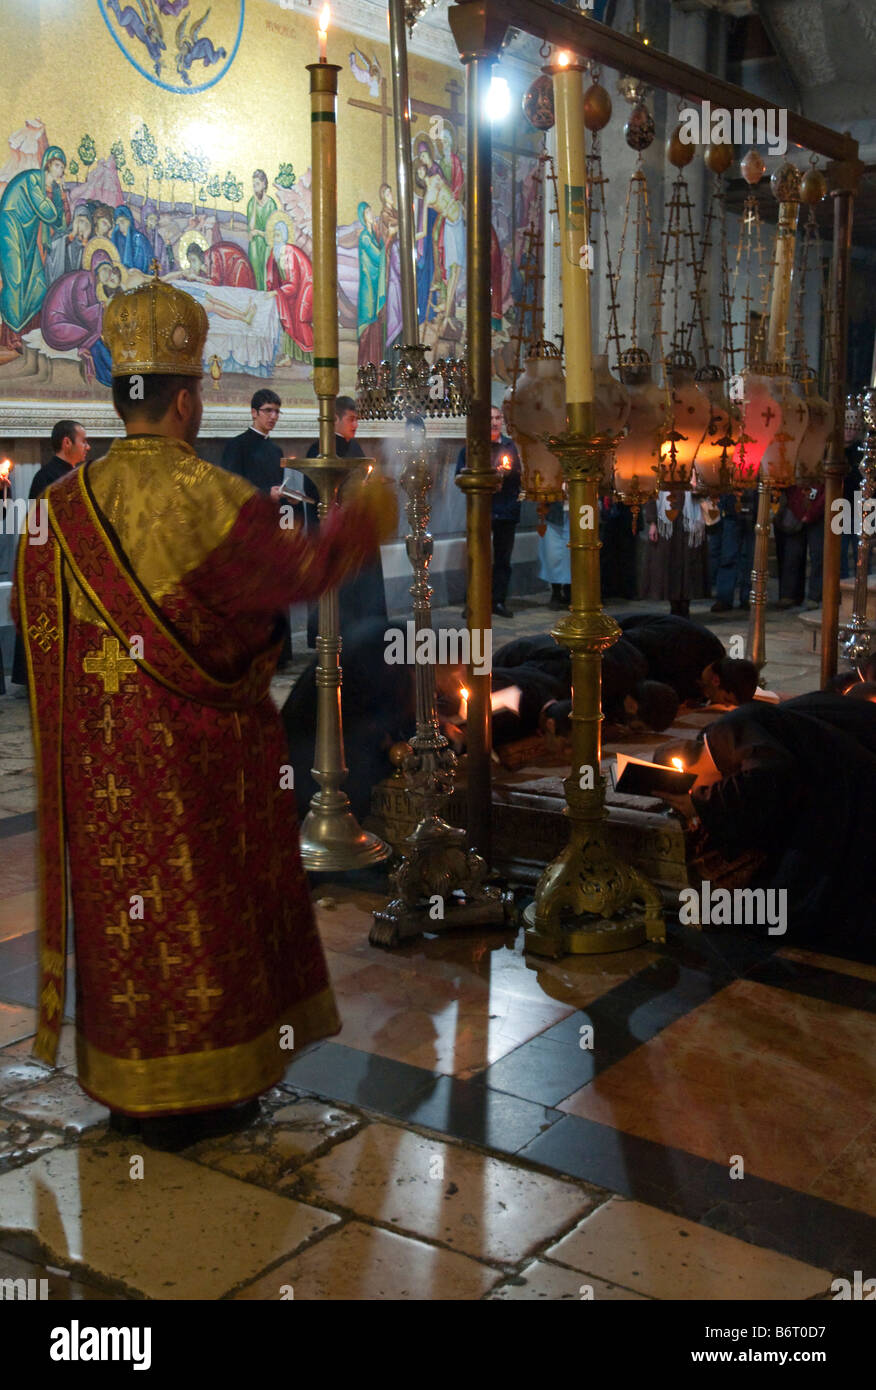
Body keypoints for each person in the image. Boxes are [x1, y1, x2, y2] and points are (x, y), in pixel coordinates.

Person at [11, 275, 396, 1149]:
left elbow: (37, 635)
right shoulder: (218, 500)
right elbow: (301, 580)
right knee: (205, 910)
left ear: (118, 398)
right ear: (186, 403)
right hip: (203, 767)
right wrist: (367, 506)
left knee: (128, 917)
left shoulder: (57, 512)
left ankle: (125, 1081)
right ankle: (217, 1084)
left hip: (103, 776)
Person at [655, 700, 876, 945]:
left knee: (790, 909)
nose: (701, 791)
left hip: (846, 802)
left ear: (684, 772)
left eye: (693, 788)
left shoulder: (725, 733)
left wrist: (702, 802)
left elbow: (770, 776)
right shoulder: (731, 729)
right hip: (841, 796)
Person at [302, 397, 389, 647]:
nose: (356, 424)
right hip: (337, 535)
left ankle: (367, 634)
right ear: (336, 419)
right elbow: (316, 491)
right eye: (351, 419)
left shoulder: (355, 448)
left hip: (358, 532)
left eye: (357, 419)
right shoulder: (319, 450)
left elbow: (363, 482)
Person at [10, 421, 90, 691]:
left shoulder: (72, 474)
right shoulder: (47, 476)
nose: (87, 446)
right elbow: (39, 527)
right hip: (53, 565)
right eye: (83, 441)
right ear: (67, 443)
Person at [220, 388, 291, 668]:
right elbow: (230, 490)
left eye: (276, 411)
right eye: (267, 411)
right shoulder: (237, 447)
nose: (273, 416)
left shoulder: (276, 450)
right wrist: (265, 494)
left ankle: (278, 654)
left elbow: (279, 489)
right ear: (253, 412)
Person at [455, 404, 522, 618]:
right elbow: (460, 475)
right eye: (490, 418)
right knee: (477, 556)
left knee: (503, 558)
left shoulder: (510, 447)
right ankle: (473, 600)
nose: (494, 422)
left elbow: (520, 474)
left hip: (506, 510)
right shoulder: (471, 448)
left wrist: (508, 473)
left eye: (498, 418)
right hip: (480, 510)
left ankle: (498, 601)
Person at [0, 145, 68, 334]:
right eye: (56, 165)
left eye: (62, 167)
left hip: (28, 233)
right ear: (47, 165)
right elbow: (47, 212)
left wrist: (61, 197)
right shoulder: (32, 179)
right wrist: (57, 198)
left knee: (36, 279)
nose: (60, 171)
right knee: (16, 277)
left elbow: (60, 225)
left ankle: (27, 331)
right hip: (10, 226)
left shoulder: (52, 189)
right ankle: (11, 335)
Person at [618, 612, 725, 703]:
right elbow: (623, 643)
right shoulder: (682, 643)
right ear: (716, 681)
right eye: (727, 700)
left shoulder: (706, 667)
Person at [639, 489, 710, 617]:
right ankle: (675, 604)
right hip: (667, 521)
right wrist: (652, 522)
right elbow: (652, 492)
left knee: (689, 564)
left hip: (690, 521)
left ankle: (685, 604)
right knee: (671, 564)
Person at [709, 489, 757, 613]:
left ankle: (748, 597)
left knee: (750, 558)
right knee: (728, 557)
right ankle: (724, 598)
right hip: (731, 513)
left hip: (754, 514)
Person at [246, 169, 277, 291]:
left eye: (257, 184)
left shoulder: (271, 204)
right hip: (255, 244)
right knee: (255, 272)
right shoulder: (251, 203)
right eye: (253, 185)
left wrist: (258, 232)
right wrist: (254, 205)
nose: (255, 188)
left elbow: (271, 233)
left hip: (267, 243)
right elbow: (251, 228)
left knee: (265, 272)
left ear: (264, 184)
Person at [538, 499, 571, 609]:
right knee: (552, 556)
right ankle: (556, 592)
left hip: (577, 513)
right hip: (553, 514)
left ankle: (571, 592)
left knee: (572, 556)